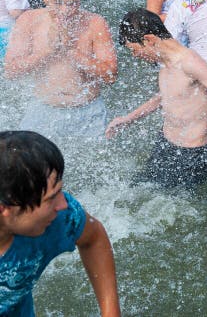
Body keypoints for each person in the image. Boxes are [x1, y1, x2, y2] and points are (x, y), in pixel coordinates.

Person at [107, 9, 207, 188]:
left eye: (135, 50)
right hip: (164, 145)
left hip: (191, 156)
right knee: (136, 190)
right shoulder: (165, 61)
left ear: (149, 39)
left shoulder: (189, 62)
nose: (135, 56)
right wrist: (128, 119)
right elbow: (164, 97)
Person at [0, 130, 120, 316]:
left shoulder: (57, 218)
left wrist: (111, 313)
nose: (63, 204)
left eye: (59, 191)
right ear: (4, 208)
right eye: (51, 198)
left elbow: (93, 238)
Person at [5, 0, 117, 139]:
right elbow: (11, 71)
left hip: (88, 110)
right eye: (58, 3)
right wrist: (48, 51)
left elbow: (110, 75)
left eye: (72, 4)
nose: (65, 11)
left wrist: (70, 51)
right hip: (43, 109)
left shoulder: (95, 22)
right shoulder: (29, 20)